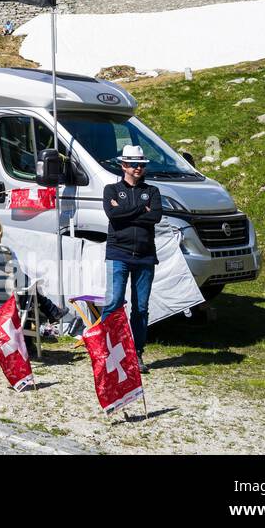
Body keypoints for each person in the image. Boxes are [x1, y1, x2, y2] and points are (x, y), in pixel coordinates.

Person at [102, 144, 161, 371]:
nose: (139, 168)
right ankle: (108, 349)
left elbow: (155, 216)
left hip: (145, 256)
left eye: (142, 165)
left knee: (141, 308)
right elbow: (113, 216)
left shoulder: (153, 191)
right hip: (119, 253)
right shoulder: (111, 190)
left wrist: (126, 210)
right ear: (123, 165)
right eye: (134, 164)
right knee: (114, 302)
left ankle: (136, 353)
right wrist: (140, 209)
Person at [0, 215, 65, 331]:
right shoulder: (5, 252)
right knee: (28, 291)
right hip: (3, 304)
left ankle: (52, 311)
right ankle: (50, 312)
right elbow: (19, 278)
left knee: (28, 288)